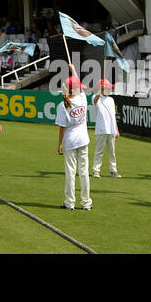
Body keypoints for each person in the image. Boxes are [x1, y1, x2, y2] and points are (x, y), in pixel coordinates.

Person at [56, 76, 91, 210]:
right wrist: (73, 68)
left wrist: (59, 144)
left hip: (70, 141)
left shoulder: (62, 105)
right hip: (83, 140)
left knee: (70, 173)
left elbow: (62, 127)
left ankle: (70, 202)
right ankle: (86, 202)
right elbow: (81, 89)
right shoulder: (82, 98)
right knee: (84, 172)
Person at [92, 79, 120, 179]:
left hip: (111, 130)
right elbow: (95, 100)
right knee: (99, 151)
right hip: (101, 130)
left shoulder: (111, 100)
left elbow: (113, 116)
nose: (109, 90)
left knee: (112, 152)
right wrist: (100, 90)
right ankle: (96, 170)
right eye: (107, 88)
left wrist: (116, 129)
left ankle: (113, 170)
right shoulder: (97, 98)